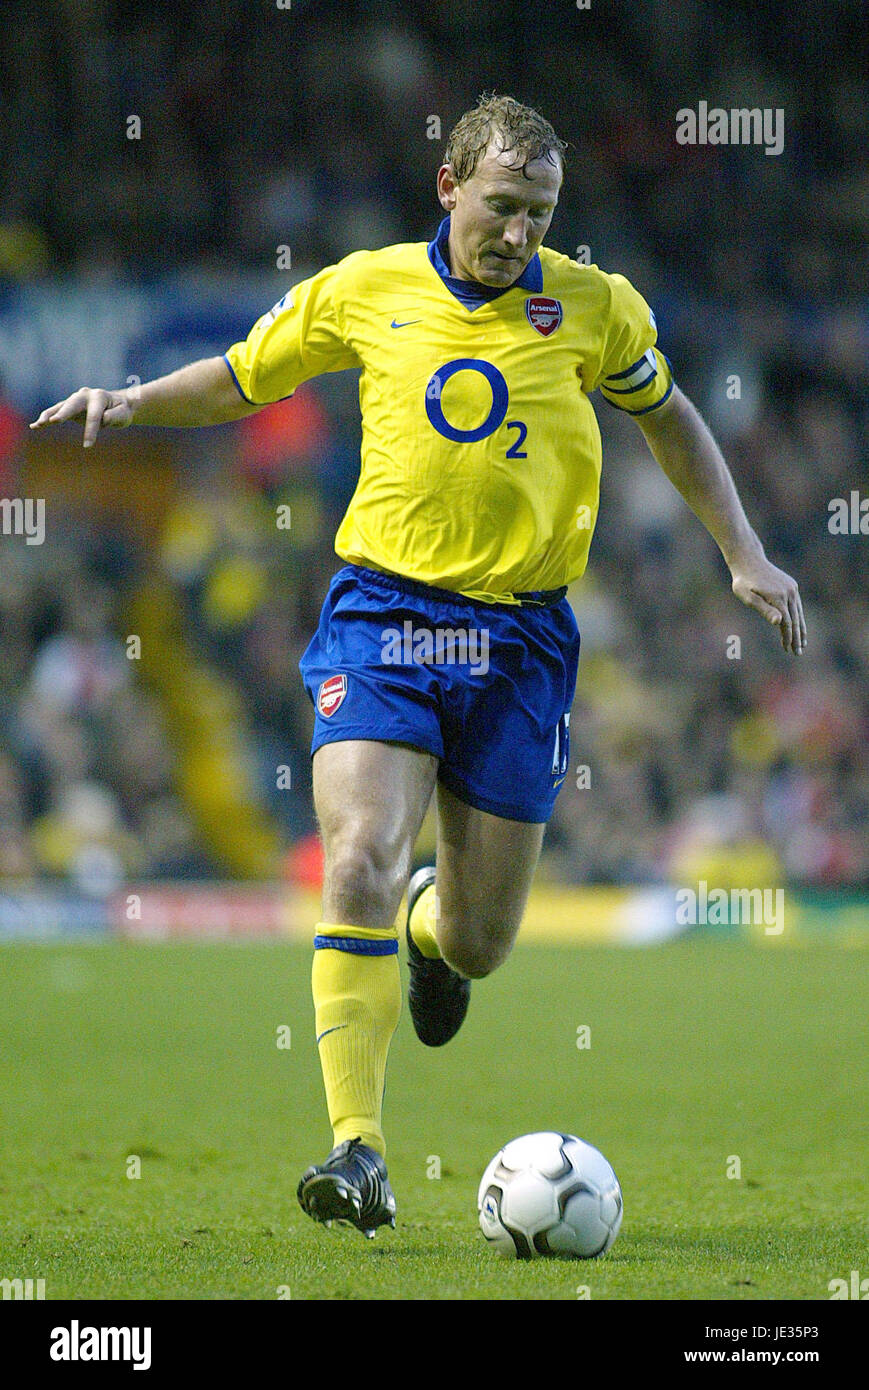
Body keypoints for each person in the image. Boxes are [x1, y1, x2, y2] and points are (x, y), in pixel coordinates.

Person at [32, 93, 806, 1240]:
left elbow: (673, 418)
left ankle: (428, 933)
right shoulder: (366, 287)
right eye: (502, 206)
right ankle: (359, 1152)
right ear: (448, 187)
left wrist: (742, 552)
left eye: (539, 213)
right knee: (353, 856)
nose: (519, 233)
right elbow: (247, 375)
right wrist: (131, 401)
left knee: (481, 941)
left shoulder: (591, 309)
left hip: (522, 639)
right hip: (383, 620)